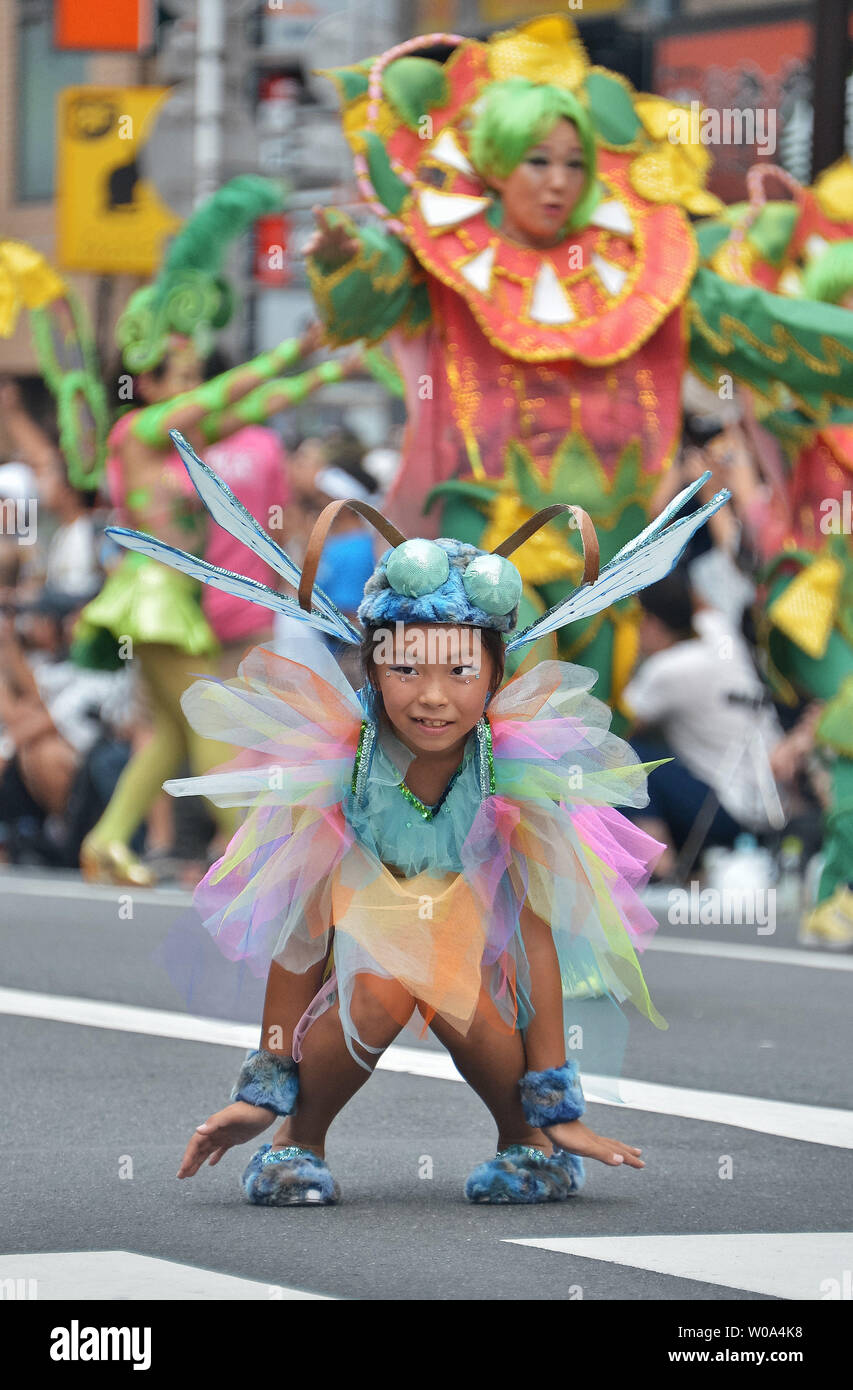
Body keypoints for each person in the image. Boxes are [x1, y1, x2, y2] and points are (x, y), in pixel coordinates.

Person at [107, 429, 727, 1205]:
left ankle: (525, 1142)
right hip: (367, 956)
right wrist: (263, 1088)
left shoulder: (513, 777)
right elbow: (302, 942)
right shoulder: (341, 773)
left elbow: (533, 945)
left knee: (443, 968)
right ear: (369, 668)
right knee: (389, 979)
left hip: (467, 950)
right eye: (404, 667)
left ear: (497, 674)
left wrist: (554, 1101)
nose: (433, 695)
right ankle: (299, 1139)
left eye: (461, 670)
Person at [303, 15, 853, 710]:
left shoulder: (645, 264)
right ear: (497, 165)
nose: (558, 181)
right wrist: (344, 263)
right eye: (538, 161)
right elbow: (371, 294)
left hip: (604, 564)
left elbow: (759, 327)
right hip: (486, 541)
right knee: (516, 717)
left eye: (573, 163)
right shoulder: (444, 258)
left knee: (586, 740)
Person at [622, 569, 784, 879]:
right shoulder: (720, 631)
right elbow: (699, 602)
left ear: (651, 624)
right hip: (771, 804)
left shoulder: (666, 671)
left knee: (626, 756)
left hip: (726, 814)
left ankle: (662, 872)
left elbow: (615, 728)